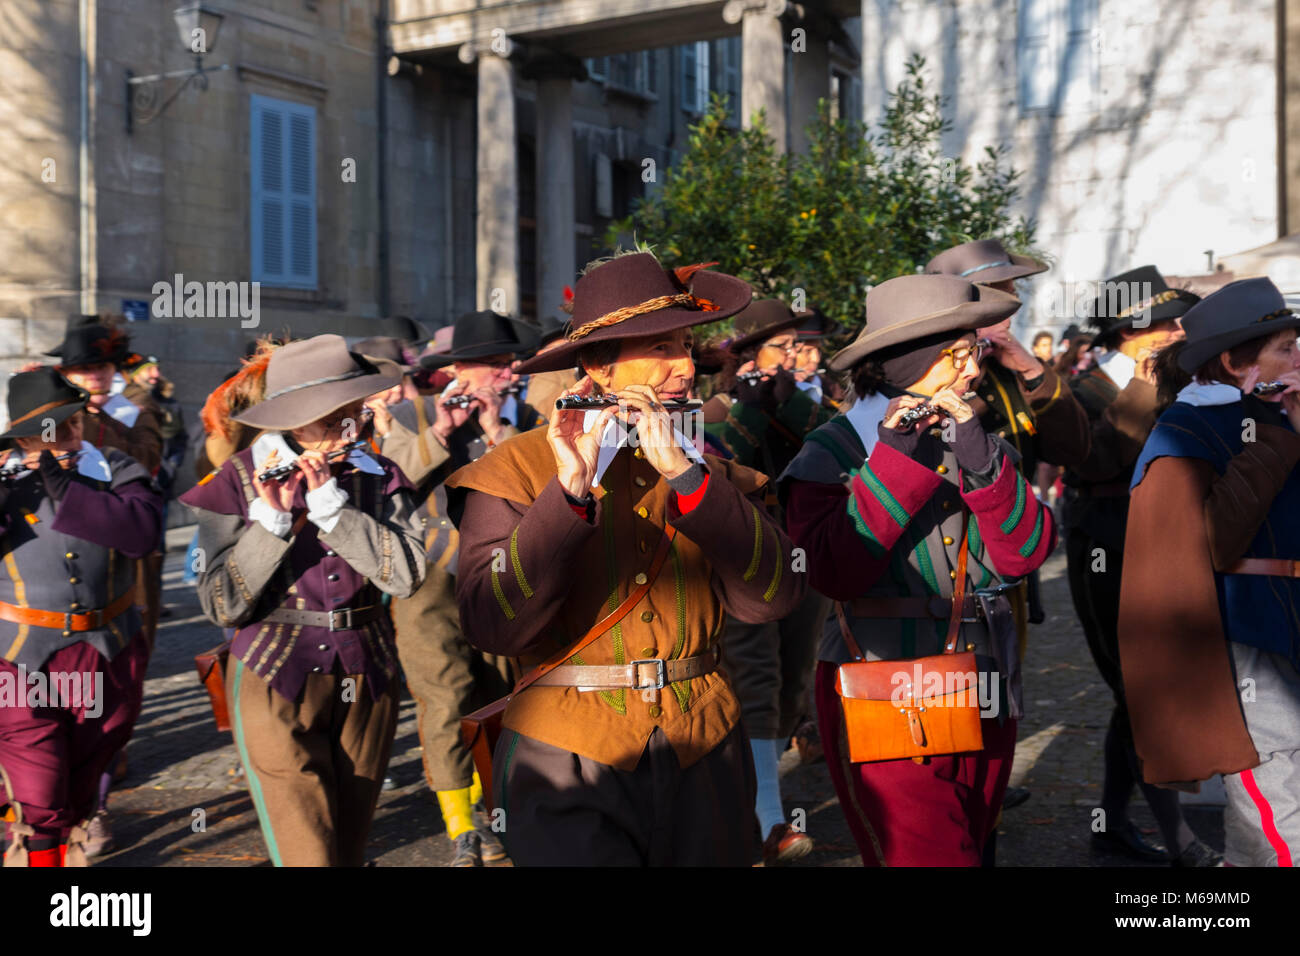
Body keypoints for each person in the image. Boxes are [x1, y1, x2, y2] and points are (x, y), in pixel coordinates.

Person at [445, 251, 807, 866]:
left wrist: (690, 482)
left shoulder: (720, 476)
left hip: (708, 756)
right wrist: (568, 496)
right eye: (663, 347)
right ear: (598, 366)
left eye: (688, 346)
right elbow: (492, 625)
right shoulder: (510, 472)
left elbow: (772, 597)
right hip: (566, 759)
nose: (686, 366)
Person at [781, 274, 1056, 866]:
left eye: (973, 351)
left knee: (975, 845)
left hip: (983, 673)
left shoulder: (976, 436)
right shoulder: (831, 450)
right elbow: (832, 570)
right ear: (909, 363)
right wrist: (896, 460)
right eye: (957, 355)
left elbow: (1026, 553)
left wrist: (985, 463)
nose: (974, 370)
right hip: (884, 678)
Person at [181, 335, 426, 866]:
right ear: (297, 416)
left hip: (369, 673)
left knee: (350, 842)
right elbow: (222, 604)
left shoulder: (380, 474)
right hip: (273, 672)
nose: (354, 425)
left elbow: (406, 576)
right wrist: (270, 525)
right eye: (338, 414)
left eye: (356, 410)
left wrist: (335, 513)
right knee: (308, 853)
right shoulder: (234, 479)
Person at [1120, 276, 1300, 867]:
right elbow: (1204, 545)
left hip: (1286, 622)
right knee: (1274, 794)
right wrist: (1276, 438)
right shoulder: (1183, 432)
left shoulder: (1275, 413)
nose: (1298, 359)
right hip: (1242, 635)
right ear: (1233, 360)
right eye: (1284, 348)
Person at [363, 321, 541, 867]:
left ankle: (504, 805)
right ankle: (462, 824)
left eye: (511, 363)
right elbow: (389, 482)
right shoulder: (413, 415)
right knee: (444, 696)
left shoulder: (528, 421)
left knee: (504, 689)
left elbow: (541, 491)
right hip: (427, 580)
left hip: (501, 577)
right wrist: (440, 433)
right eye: (497, 364)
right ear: (460, 370)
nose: (509, 373)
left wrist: (496, 435)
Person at [927, 239, 1091, 827]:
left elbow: (1074, 448)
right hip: (950, 580)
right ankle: (964, 808)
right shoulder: (931, 368)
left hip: (1005, 572)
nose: (1014, 309)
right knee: (954, 707)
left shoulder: (1005, 370)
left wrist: (1028, 366)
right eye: (1004, 298)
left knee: (999, 700)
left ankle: (985, 796)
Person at [1062, 265, 1217, 865]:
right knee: (1140, 690)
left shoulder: (1170, 381)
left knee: (1139, 694)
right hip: (1107, 546)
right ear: (1133, 329)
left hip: (1161, 543)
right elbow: (1098, 462)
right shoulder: (1085, 390)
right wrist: (1145, 384)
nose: (1181, 330)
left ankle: (1111, 823)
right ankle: (1178, 838)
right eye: (1169, 322)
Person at [0, 368, 160, 866]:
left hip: (105, 651)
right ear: (24, 435)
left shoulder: (115, 468)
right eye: (49, 429)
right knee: (40, 788)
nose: (65, 436)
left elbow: (142, 534)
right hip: (15, 655)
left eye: (70, 424)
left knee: (84, 775)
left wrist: (71, 491)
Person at [705, 297, 835, 863]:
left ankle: (756, 797)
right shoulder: (715, 407)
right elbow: (721, 467)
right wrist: (754, 409)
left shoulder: (809, 403)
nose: (794, 357)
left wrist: (790, 404)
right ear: (750, 353)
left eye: (799, 346)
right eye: (782, 347)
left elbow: (836, 453)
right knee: (754, 678)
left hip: (802, 557)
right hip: (743, 559)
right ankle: (767, 817)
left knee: (792, 681)